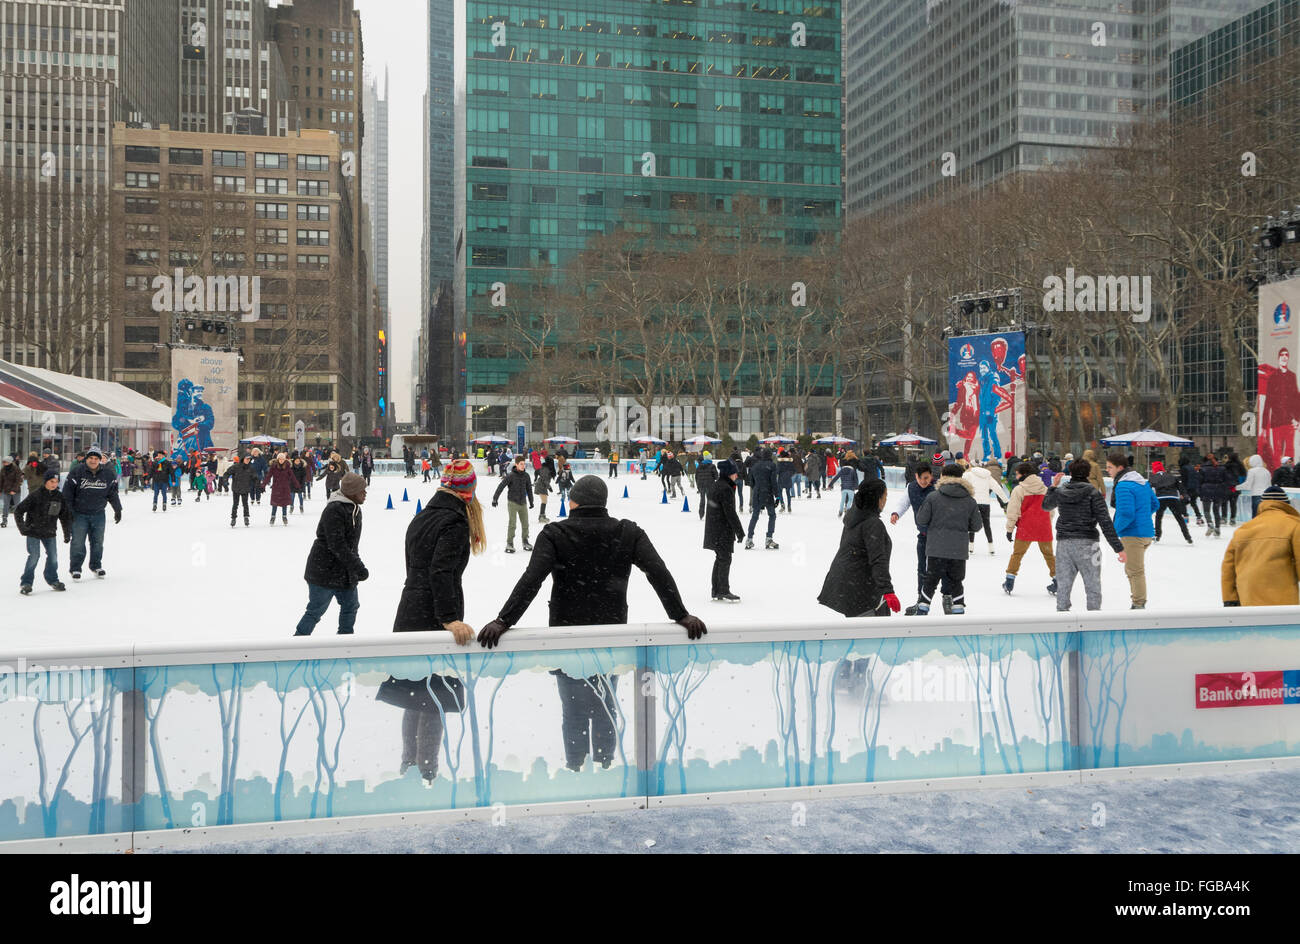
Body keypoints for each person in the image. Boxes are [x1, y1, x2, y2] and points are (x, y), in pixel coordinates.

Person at [477, 475, 706, 648]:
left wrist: (503, 620)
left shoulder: (554, 533)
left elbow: (532, 579)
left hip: (566, 630)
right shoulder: (628, 531)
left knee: (572, 703)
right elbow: (657, 571)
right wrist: (680, 614)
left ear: (573, 502)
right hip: (612, 627)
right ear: (603, 503)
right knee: (608, 703)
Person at [393, 458, 483, 642]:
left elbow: (414, 569)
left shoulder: (422, 517)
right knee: (436, 670)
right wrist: (449, 618)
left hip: (410, 609)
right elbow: (440, 571)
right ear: (470, 489)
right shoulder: (454, 523)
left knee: (409, 670)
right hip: (432, 616)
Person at [1043, 458, 1125, 612]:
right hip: (1089, 544)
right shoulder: (1093, 493)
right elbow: (1105, 522)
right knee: (1093, 586)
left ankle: (1063, 620)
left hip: (1064, 544)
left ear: (1071, 473)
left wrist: (1053, 486)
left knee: (1063, 588)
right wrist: (1118, 548)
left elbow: (1046, 506)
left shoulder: (1061, 491)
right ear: (1088, 473)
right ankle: (1093, 622)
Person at [293, 473, 369, 636]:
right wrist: (358, 567)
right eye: (362, 490)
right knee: (315, 611)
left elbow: (350, 546)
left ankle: (345, 641)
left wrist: (354, 568)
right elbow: (337, 545)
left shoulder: (354, 509)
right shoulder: (334, 510)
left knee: (351, 606)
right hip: (324, 571)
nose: (365, 493)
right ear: (352, 492)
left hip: (344, 572)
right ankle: (297, 642)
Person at [818, 478, 899, 618]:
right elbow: (878, 559)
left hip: (848, 582)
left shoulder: (855, 515)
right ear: (877, 498)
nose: (886, 500)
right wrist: (888, 591)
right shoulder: (872, 524)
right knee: (871, 633)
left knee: (864, 629)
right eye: (885, 496)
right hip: (860, 587)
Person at [911, 464, 981, 615]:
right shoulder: (969, 501)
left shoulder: (933, 497)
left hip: (936, 548)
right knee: (956, 581)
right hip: (958, 550)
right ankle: (958, 612)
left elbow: (921, 519)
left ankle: (922, 610)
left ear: (943, 476)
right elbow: (977, 526)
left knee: (930, 581)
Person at [1222, 485, 1300, 606]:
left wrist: (1229, 599)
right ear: (1287, 504)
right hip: (1283, 601)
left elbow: (1228, 567)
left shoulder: (1243, 529)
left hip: (1248, 598)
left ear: (1261, 504)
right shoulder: (1294, 525)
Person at [1107, 453, 1159, 610]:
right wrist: (1143, 518)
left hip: (1132, 534)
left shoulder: (1123, 485)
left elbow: (1127, 513)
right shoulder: (1142, 482)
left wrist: (1114, 531)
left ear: (1120, 468)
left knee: (1134, 571)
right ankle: (1138, 602)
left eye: (1110, 467)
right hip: (1146, 533)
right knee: (1134, 569)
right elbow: (1154, 504)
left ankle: (1138, 604)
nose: (1108, 470)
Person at [62, 446, 122, 580]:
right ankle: (76, 568)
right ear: (86, 459)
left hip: (99, 513)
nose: (93, 461)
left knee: (97, 542)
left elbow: (112, 493)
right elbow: (67, 494)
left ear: (100, 460)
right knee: (78, 542)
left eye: (96, 458)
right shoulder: (77, 472)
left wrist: (118, 509)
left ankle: (96, 565)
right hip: (79, 514)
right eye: (91, 458)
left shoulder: (107, 474)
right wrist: (69, 512)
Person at [1002, 461, 1056, 595]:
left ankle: (1009, 580)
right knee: (1049, 555)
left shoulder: (1019, 490)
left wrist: (1010, 529)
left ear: (1024, 474)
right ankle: (1058, 580)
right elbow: (1051, 510)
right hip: (1043, 527)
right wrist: (1045, 521)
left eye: (1017, 474)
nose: (1016, 476)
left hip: (1026, 527)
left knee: (1017, 554)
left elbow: (1012, 510)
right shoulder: (1045, 488)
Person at [14, 471, 71, 595]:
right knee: (34, 556)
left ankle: (52, 579)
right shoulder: (35, 495)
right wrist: (23, 528)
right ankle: (26, 583)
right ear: (45, 481)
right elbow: (18, 511)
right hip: (33, 531)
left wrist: (67, 533)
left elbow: (64, 516)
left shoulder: (59, 496)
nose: (54, 484)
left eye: (56, 482)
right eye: (51, 481)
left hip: (49, 532)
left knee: (53, 557)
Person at [889, 463, 935, 612]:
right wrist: (896, 513)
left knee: (939, 569)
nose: (923, 481)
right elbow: (904, 502)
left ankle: (947, 599)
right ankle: (920, 600)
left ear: (931, 476)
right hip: (922, 534)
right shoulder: (911, 487)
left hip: (938, 536)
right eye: (920, 478)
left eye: (926, 478)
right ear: (916, 476)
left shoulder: (936, 488)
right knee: (921, 568)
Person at [702, 459, 745, 601]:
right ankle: (723, 590)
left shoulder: (717, 485)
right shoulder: (725, 488)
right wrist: (739, 531)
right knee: (724, 559)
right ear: (728, 474)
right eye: (734, 473)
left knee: (720, 559)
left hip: (715, 529)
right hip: (722, 530)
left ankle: (716, 590)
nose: (736, 476)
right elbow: (730, 513)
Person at [962, 460, 1010, 555]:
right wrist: (1006, 501)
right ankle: (991, 546)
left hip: (973, 503)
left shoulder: (968, 474)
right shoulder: (987, 476)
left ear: (971, 465)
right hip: (985, 503)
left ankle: (970, 547)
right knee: (987, 524)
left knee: (971, 524)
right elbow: (997, 488)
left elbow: (961, 485)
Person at [492, 455, 535, 553]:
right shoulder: (511, 475)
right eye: (521, 464)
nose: (523, 466)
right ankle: (510, 543)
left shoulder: (526, 476)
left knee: (525, 524)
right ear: (516, 464)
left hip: (523, 503)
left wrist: (531, 501)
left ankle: (525, 541)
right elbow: (501, 486)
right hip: (513, 502)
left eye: (524, 464)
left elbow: (529, 489)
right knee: (512, 524)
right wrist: (495, 498)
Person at [744, 447, 780, 550]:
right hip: (767, 493)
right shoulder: (772, 465)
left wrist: (757, 487)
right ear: (770, 456)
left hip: (757, 493)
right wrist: (777, 496)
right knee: (772, 515)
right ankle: (769, 538)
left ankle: (749, 539)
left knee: (755, 516)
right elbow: (774, 482)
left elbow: (750, 481)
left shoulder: (755, 466)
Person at [1149, 460, 1193, 545]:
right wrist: (1184, 494)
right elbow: (1180, 486)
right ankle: (1188, 537)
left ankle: (1157, 535)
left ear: (1154, 469)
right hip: (1173, 498)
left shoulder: (1153, 477)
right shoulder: (1171, 476)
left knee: (1159, 517)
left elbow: (1148, 488)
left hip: (1160, 498)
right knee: (1179, 518)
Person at [1198, 453, 1231, 537]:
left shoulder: (1203, 469)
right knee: (1216, 510)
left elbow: (1199, 481)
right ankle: (1217, 528)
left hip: (1206, 489)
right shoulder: (1222, 468)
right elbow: (1226, 480)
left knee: (1206, 510)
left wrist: (1200, 491)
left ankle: (1210, 523)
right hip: (1218, 490)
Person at [222, 455, 257, 527]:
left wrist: (258, 485)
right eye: (246, 459)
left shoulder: (251, 468)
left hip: (245, 488)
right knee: (235, 504)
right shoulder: (236, 466)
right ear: (243, 459)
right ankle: (233, 518)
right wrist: (225, 481)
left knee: (245, 504)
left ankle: (246, 517)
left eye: (249, 459)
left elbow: (255, 477)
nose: (248, 460)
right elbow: (227, 473)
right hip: (236, 488)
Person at [264, 452, 296, 525]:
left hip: (285, 488)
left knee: (284, 504)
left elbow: (293, 477)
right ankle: (273, 517)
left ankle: (284, 517)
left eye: (283, 459)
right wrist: (263, 485)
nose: (281, 460)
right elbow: (268, 476)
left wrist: (297, 485)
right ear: (277, 459)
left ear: (284, 459)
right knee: (274, 504)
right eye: (280, 459)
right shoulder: (273, 467)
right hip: (276, 487)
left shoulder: (287, 467)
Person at [1242, 454, 1272, 518]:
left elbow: (1248, 485)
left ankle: (1256, 527)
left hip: (1256, 495)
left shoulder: (1252, 471)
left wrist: (1236, 487)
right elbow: (1269, 484)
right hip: (1267, 496)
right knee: (1264, 514)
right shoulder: (1267, 471)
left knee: (1255, 514)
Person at [694, 455, 718, 520]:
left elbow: (696, 477)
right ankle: (710, 514)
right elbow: (716, 476)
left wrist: (698, 486)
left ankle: (701, 514)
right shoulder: (712, 466)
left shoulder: (699, 466)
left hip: (701, 485)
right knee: (710, 500)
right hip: (710, 485)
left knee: (702, 500)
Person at [0, 456, 21, 528]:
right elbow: (1, 481)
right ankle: (4, 520)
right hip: (6, 490)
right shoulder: (3, 469)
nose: (4, 463)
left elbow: (18, 480)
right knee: (6, 505)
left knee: (17, 506)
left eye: (5, 462)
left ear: (9, 462)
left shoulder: (16, 469)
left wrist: (14, 490)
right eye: (3, 462)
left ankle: (19, 520)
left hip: (16, 491)